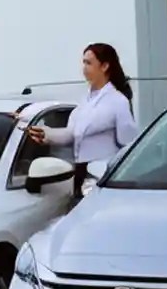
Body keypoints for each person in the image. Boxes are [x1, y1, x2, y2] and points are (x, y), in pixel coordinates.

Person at [24, 43, 138, 196]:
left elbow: (128, 143)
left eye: (89, 63)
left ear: (104, 66)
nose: (84, 68)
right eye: (83, 62)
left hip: (102, 175)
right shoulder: (85, 100)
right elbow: (72, 133)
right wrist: (47, 135)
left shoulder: (117, 101)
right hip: (81, 174)